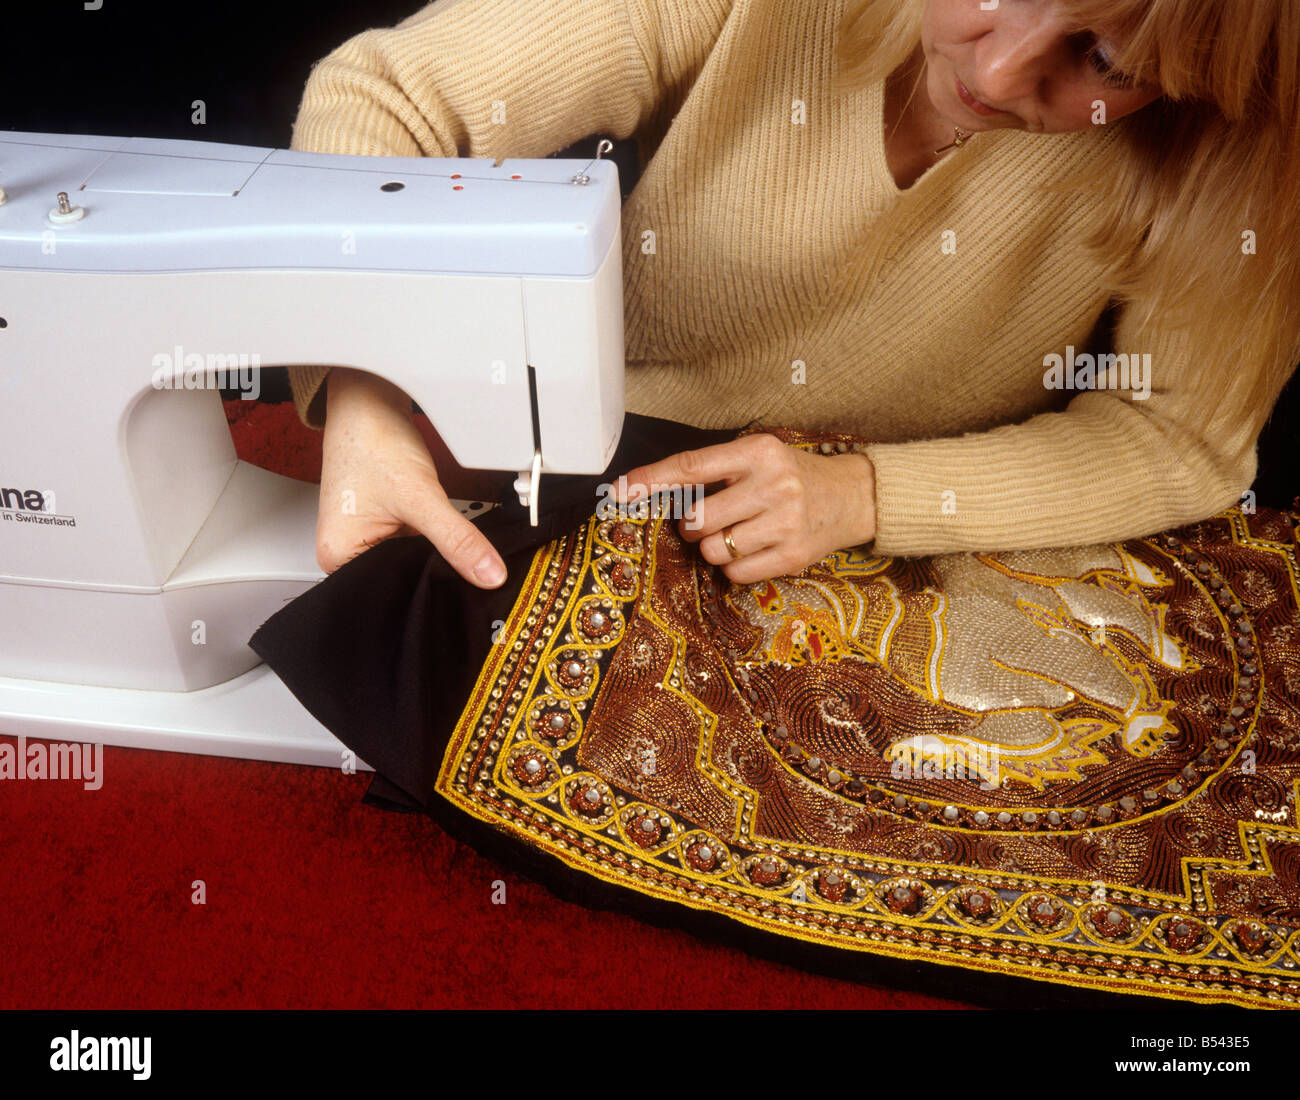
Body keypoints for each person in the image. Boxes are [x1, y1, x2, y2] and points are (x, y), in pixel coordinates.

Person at [284, 0, 1300, 591]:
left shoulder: (1231, 151)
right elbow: (387, 97)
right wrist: (361, 393)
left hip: (915, 540)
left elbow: (1181, 439)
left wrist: (862, 493)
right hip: (589, 461)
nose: (999, 69)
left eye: (1106, 60)